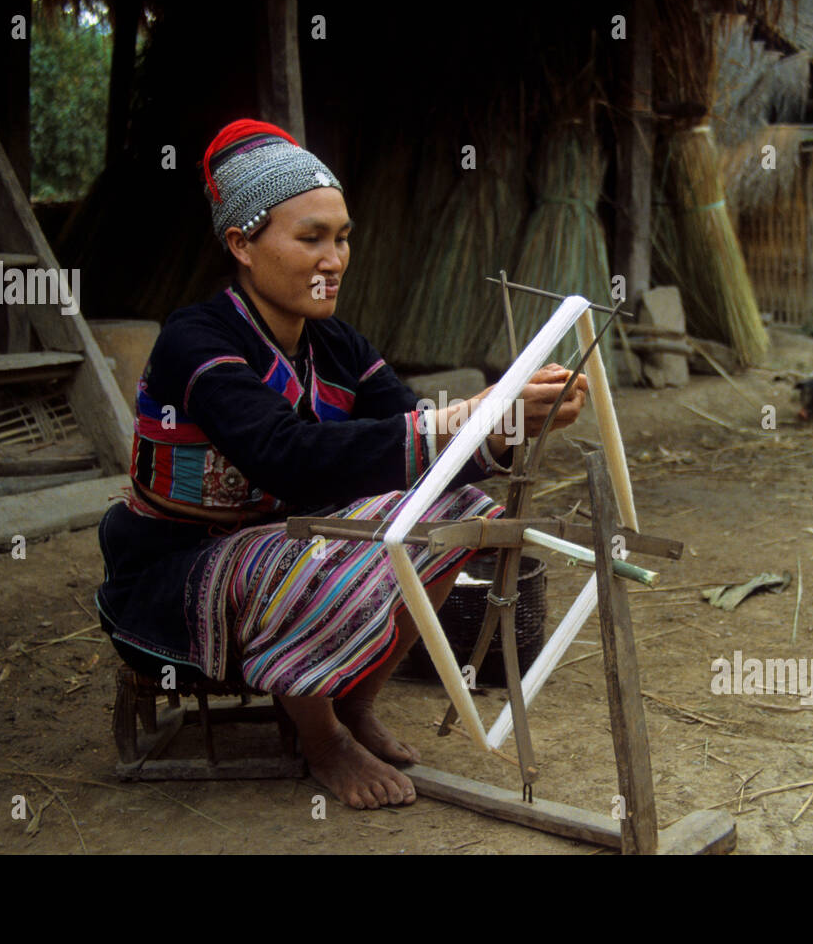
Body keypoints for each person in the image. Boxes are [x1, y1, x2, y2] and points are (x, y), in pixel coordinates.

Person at [95, 118, 588, 810]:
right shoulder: (195, 340)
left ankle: (353, 701)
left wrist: (508, 423)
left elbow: (422, 449)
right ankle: (319, 738)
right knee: (315, 551)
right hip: (176, 573)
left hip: (281, 547)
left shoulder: (336, 343)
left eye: (342, 236)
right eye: (311, 238)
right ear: (241, 243)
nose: (335, 258)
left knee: (455, 511)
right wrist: (458, 416)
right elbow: (287, 459)